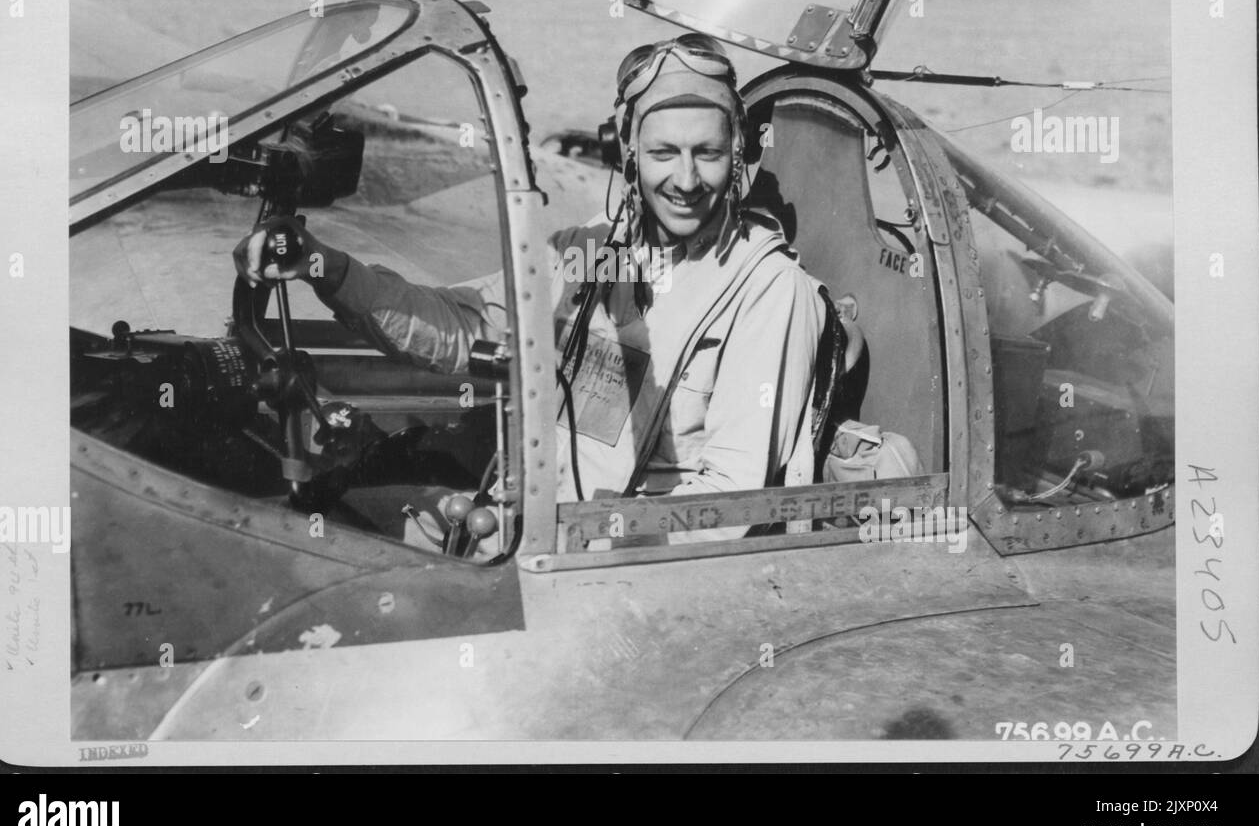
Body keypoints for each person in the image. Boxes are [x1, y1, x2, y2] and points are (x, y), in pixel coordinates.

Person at [234, 35, 827, 537]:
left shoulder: (770, 291)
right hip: (526, 521)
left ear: (739, 155)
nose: (687, 179)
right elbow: (461, 328)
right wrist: (326, 269)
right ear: (628, 154)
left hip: (612, 565)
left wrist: (575, 545)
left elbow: (729, 502)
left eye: (709, 153)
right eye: (663, 153)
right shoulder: (592, 253)